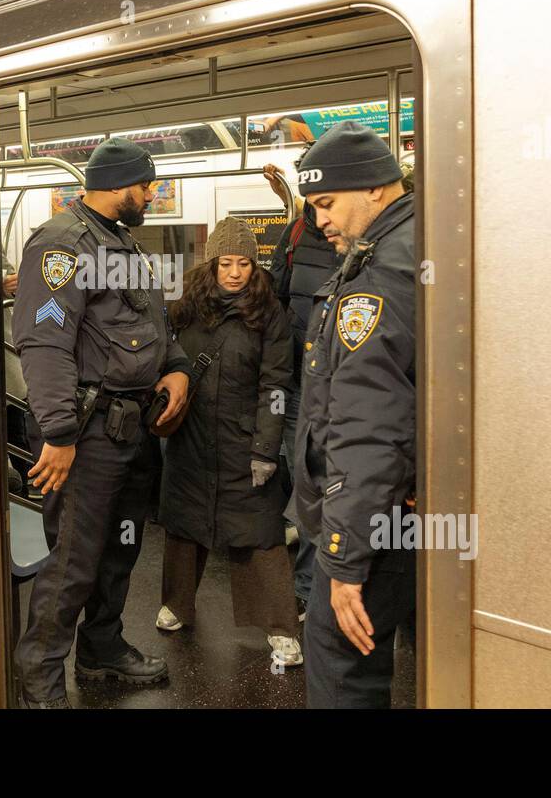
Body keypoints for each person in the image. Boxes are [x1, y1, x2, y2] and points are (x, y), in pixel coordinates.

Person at [11, 136, 191, 709]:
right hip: (85, 434)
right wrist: (60, 433)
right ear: (120, 184)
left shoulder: (121, 243)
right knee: (74, 559)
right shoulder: (63, 243)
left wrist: (179, 369)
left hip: (132, 427)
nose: (151, 193)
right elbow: (44, 341)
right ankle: (39, 674)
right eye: (146, 184)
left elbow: (150, 325)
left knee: (121, 547)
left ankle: (101, 645)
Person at [293, 121, 417, 709]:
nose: (321, 222)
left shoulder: (381, 275)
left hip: (373, 521)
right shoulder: (401, 246)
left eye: (326, 203)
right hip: (391, 510)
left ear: (374, 188)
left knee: (341, 667)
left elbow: (369, 425)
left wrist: (343, 555)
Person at [155, 217, 300, 665]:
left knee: (259, 532)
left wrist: (265, 447)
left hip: (244, 439)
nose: (235, 273)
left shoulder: (270, 313)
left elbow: (276, 384)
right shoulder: (186, 304)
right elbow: (161, 349)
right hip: (193, 437)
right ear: (212, 263)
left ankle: (281, 627)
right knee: (184, 525)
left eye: (244, 263)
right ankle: (177, 604)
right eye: (226, 263)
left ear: (255, 266)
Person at [267, 155, 344, 619]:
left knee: (328, 483)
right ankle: (306, 583)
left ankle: (316, 585)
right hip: (296, 380)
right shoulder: (294, 235)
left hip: (338, 387)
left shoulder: (364, 243)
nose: (323, 215)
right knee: (302, 478)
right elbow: (274, 300)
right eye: (314, 202)